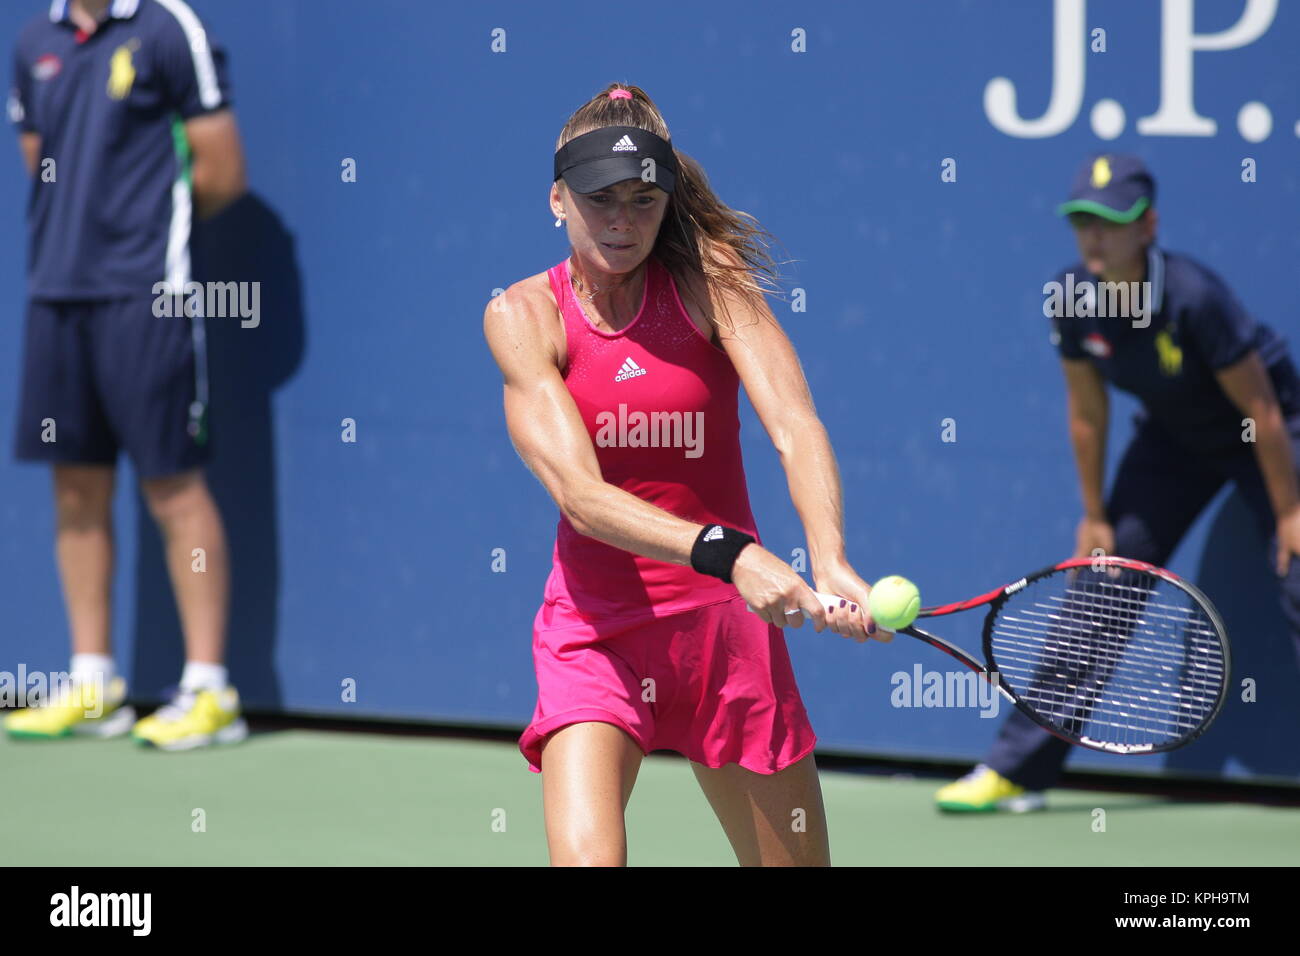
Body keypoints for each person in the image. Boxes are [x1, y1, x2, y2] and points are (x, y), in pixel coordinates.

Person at [483, 83, 891, 866]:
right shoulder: (524, 316)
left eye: (643, 200)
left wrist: (830, 556)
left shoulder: (711, 280)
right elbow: (582, 496)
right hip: (597, 634)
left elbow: (793, 422)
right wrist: (731, 553)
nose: (621, 221)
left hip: (727, 636)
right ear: (557, 199)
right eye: (600, 199)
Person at [935, 154, 1300, 811]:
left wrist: (1292, 511)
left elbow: (1262, 411)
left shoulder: (1194, 296)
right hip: (1173, 440)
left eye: (1110, 221)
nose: (1094, 236)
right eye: (1082, 222)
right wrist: (1096, 514)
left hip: (1266, 432)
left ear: (1148, 225)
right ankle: (1019, 769)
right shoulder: (1073, 297)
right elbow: (1087, 411)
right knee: (1102, 580)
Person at [4, 0, 249, 750]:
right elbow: (41, 158)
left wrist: (147, 238)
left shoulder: (170, 27)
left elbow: (222, 171)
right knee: (74, 484)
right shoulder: (33, 39)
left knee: (173, 485)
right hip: (56, 295)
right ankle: (93, 685)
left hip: (151, 296)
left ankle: (210, 690)